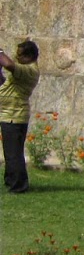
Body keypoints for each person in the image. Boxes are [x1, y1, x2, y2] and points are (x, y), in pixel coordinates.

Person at [0, 39, 40, 194]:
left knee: (13, 153)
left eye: (20, 56)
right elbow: (7, 84)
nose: (17, 59)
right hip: (8, 114)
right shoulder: (22, 71)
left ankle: (19, 185)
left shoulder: (30, 70)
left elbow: (9, 64)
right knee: (10, 152)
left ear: (29, 56)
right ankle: (11, 180)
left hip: (15, 115)